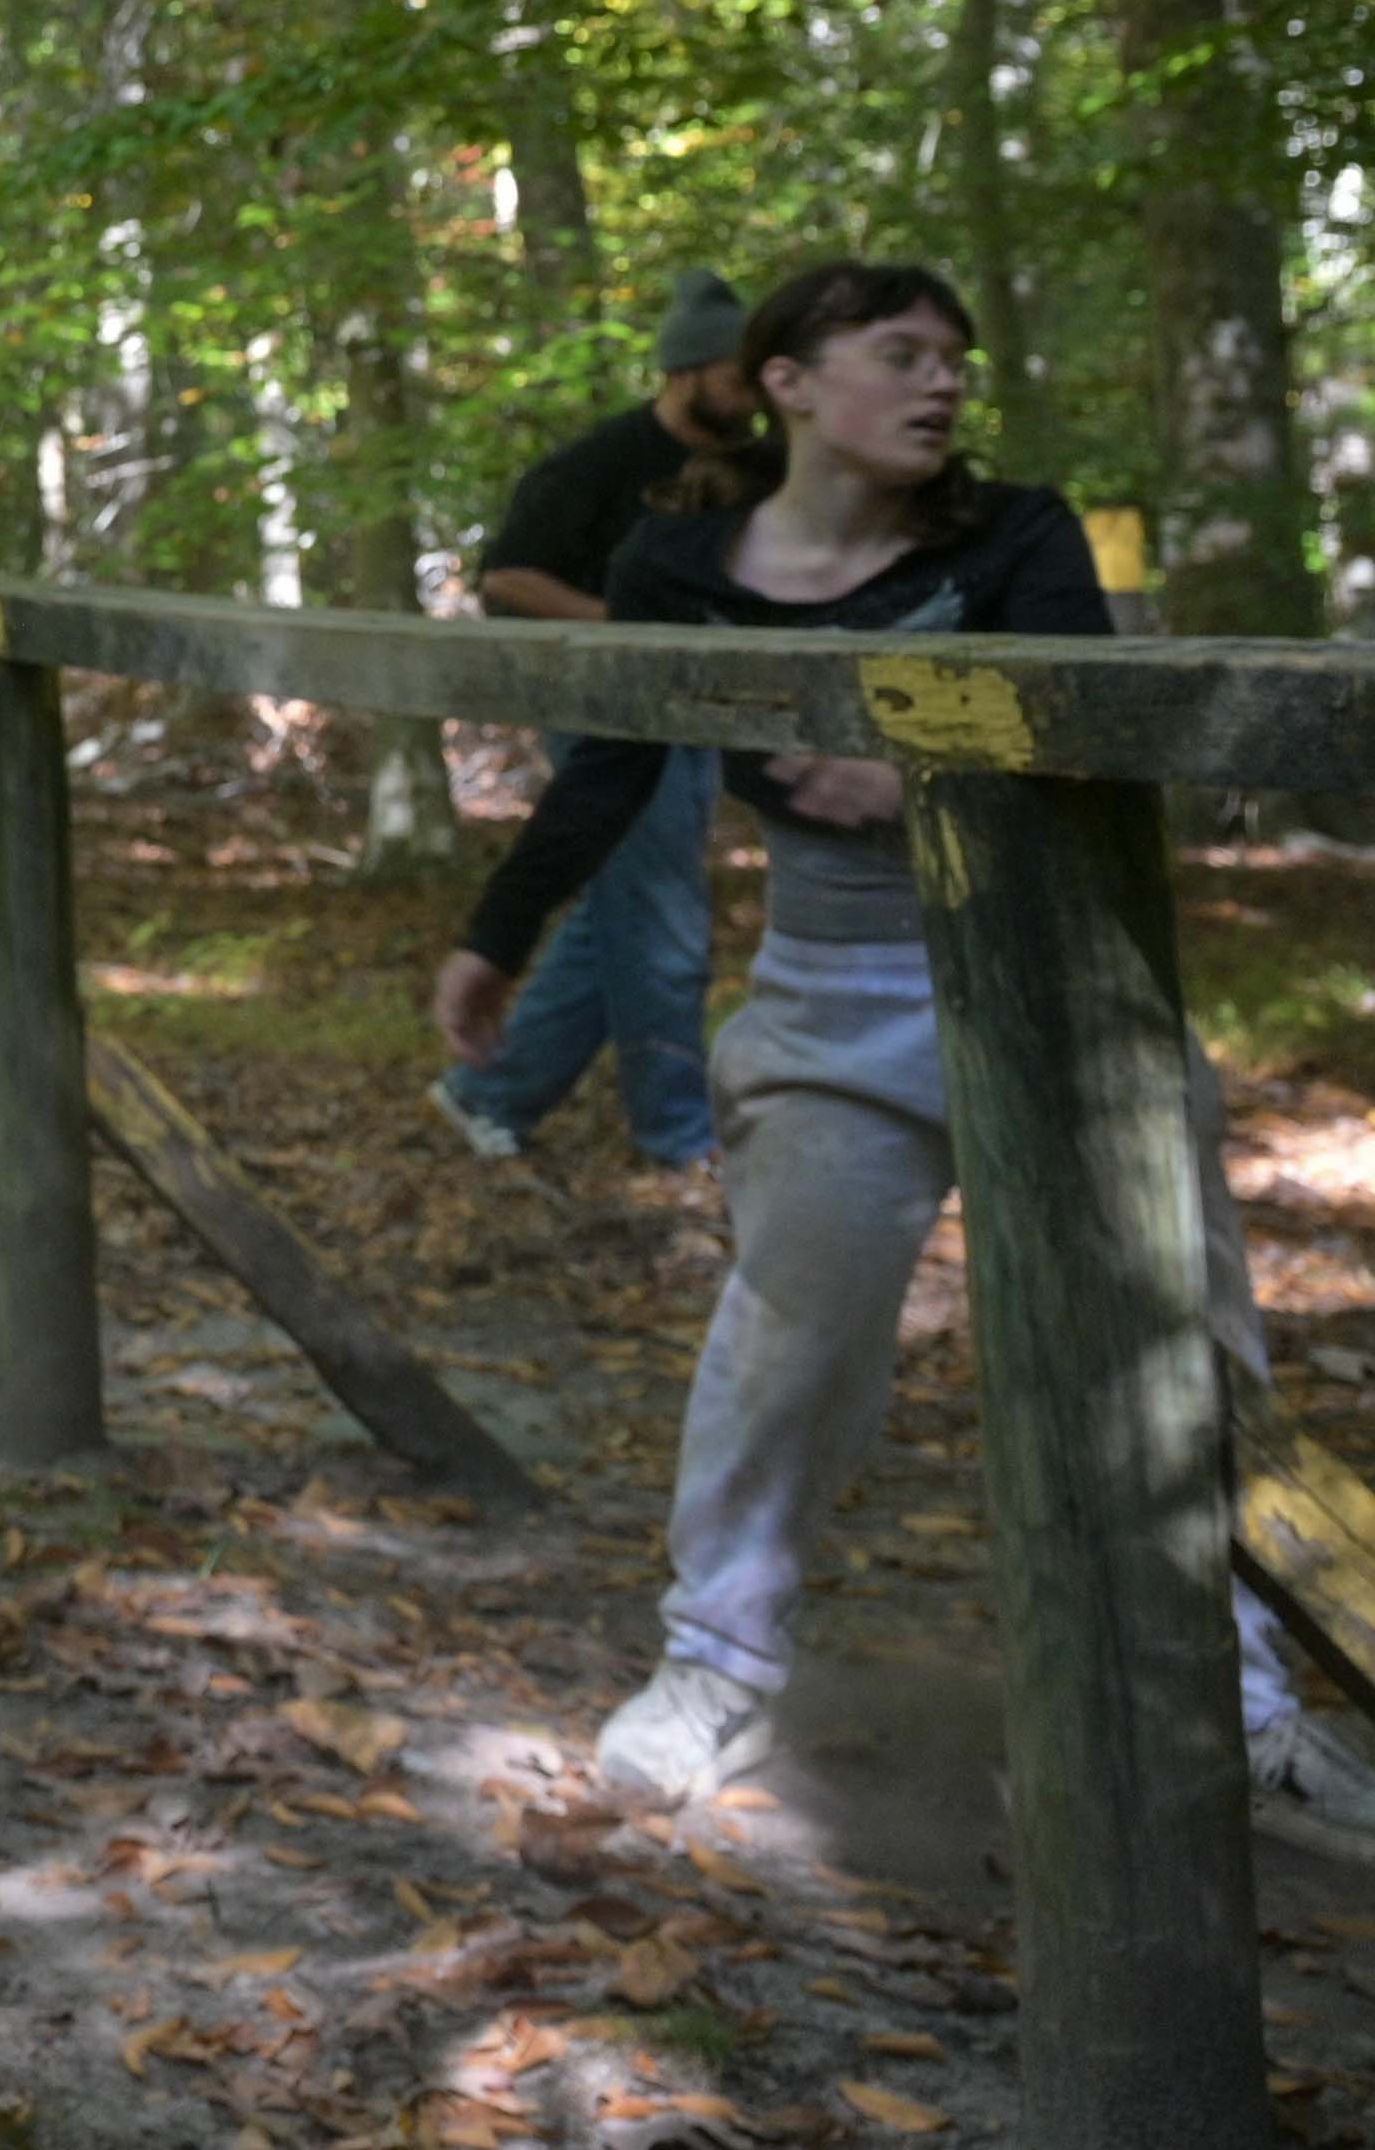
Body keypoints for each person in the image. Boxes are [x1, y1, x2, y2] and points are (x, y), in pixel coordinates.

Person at [426, 259, 1375, 1851]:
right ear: (788, 380)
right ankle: (715, 1671)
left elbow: (1102, 746)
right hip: (831, 998)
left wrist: (947, 783)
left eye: (957, 361)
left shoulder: (1018, 534)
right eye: (901, 354)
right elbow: (617, 760)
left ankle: (1244, 1706)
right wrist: (499, 934)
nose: (942, 385)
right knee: (791, 1340)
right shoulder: (675, 558)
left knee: (1184, 1353)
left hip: (1071, 1001)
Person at [426, 268, 764, 1171]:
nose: (756, 395)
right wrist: (626, 623)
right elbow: (506, 575)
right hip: (601, 715)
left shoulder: (751, 469)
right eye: (739, 375)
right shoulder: (600, 463)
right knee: (661, 918)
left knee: (616, 914)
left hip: (689, 710)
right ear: (688, 371)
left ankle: (490, 1091)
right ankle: (680, 1139)